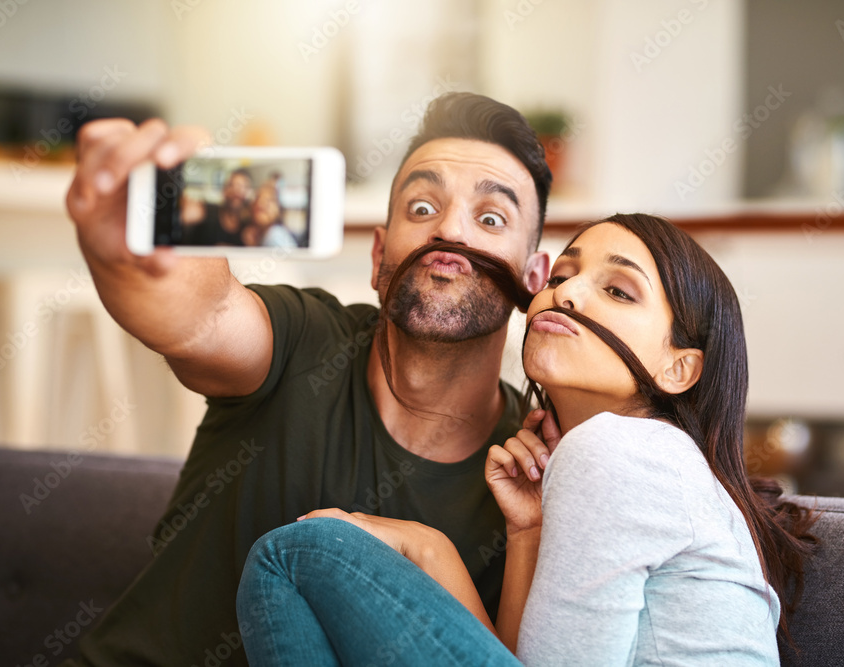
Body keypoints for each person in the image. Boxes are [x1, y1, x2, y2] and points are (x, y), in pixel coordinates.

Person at [62, 92, 552, 666]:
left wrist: (431, 551)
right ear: (378, 256)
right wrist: (130, 256)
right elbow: (206, 315)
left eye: (491, 218)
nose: (450, 231)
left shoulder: (532, 479)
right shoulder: (304, 340)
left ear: (534, 279)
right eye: (422, 208)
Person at [234, 214, 819, 665]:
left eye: (618, 291)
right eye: (563, 275)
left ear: (679, 369)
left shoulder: (623, 450)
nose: (565, 295)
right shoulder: (629, 459)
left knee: (294, 555)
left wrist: (430, 550)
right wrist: (528, 532)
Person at [182, 167, 253, 246]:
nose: (237, 191)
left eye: (243, 187)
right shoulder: (207, 211)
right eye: (231, 185)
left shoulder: (250, 227)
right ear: (224, 190)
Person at [241, 183, 297, 248]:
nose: (261, 203)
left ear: (278, 211)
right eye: (258, 198)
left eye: (270, 200)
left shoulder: (275, 235)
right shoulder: (261, 235)